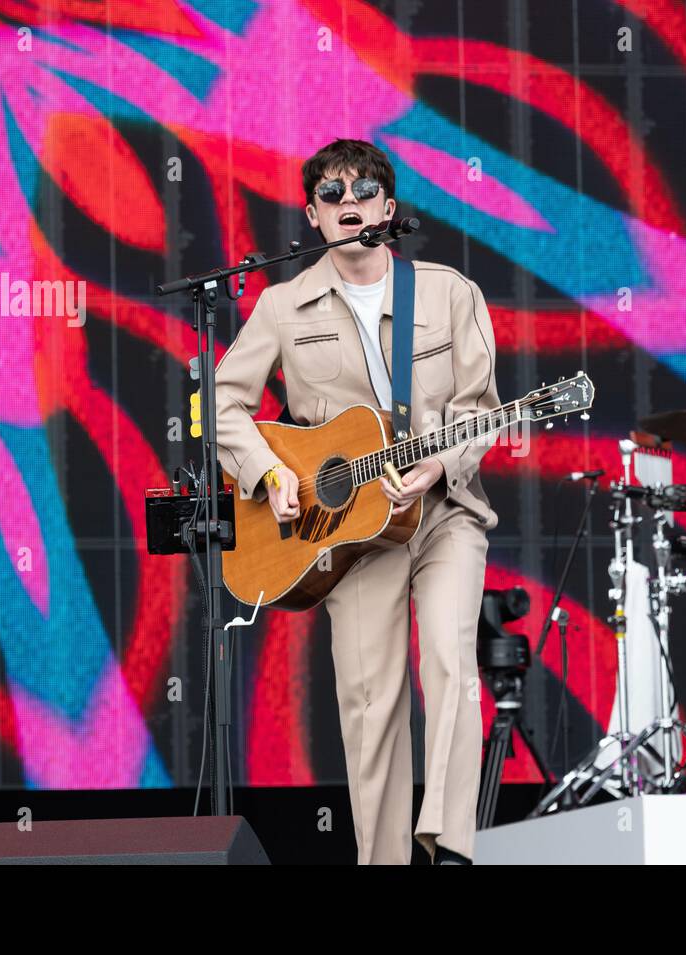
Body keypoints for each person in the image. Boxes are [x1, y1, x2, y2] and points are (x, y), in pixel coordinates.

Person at [213, 139, 500, 864]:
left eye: (364, 190)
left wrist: (436, 466)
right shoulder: (282, 304)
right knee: (371, 708)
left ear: (389, 208)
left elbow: (484, 412)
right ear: (313, 215)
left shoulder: (448, 292)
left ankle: (447, 843)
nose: (350, 203)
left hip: (443, 514)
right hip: (347, 529)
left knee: (448, 658)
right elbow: (222, 404)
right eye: (332, 194)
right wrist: (269, 474)